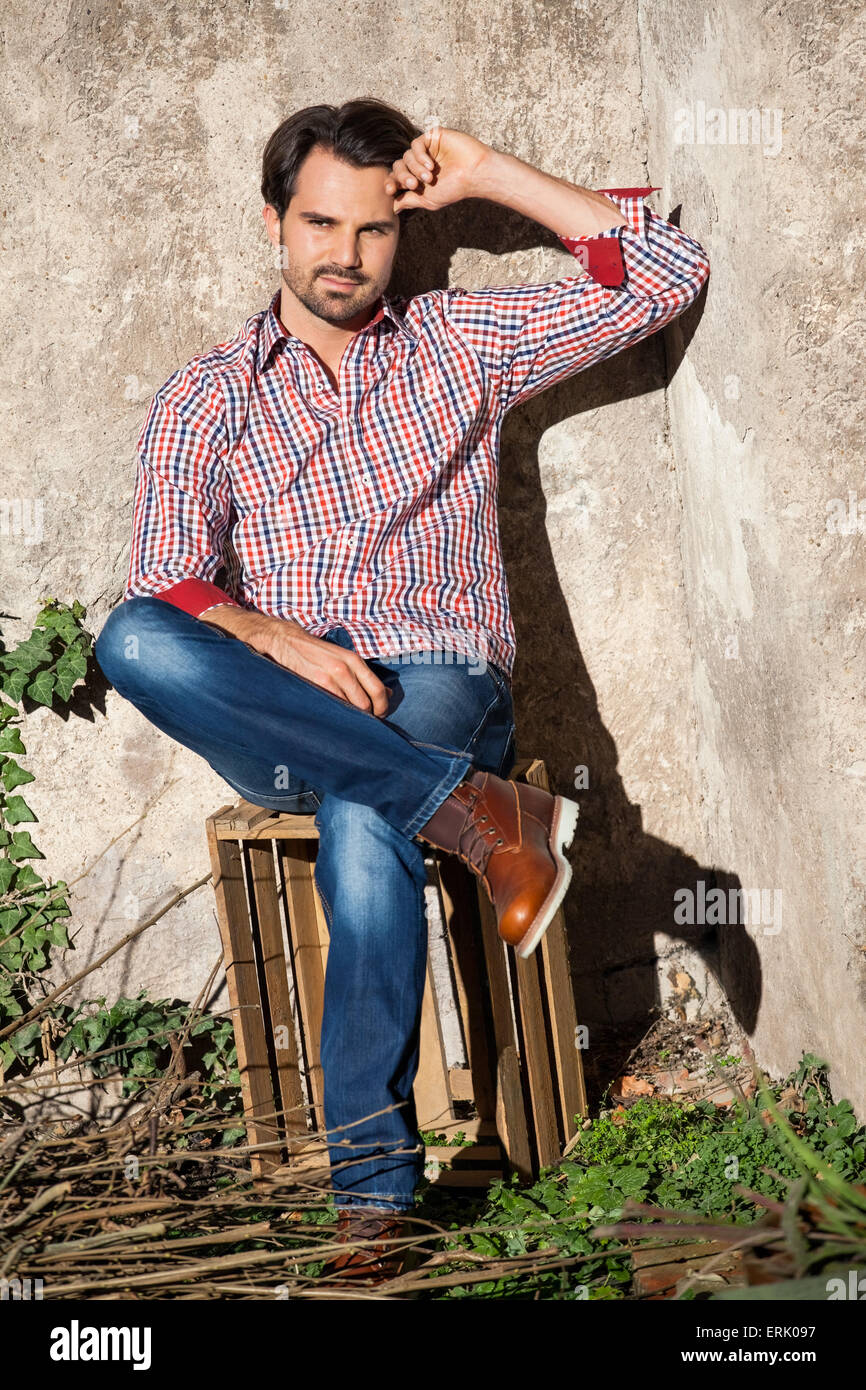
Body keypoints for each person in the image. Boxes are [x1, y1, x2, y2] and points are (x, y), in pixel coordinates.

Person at [93, 97, 710, 1284]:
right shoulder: (208, 393)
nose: (344, 254)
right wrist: (264, 631)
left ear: (399, 233)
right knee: (132, 639)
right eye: (319, 222)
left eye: (372, 230)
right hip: (276, 698)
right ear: (274, 221)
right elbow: (166, 579)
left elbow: (660, 277)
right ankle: (477, 820)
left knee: (360, 816)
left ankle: (370, 1199)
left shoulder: (455, 341)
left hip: (437, 681)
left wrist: (491, 173)